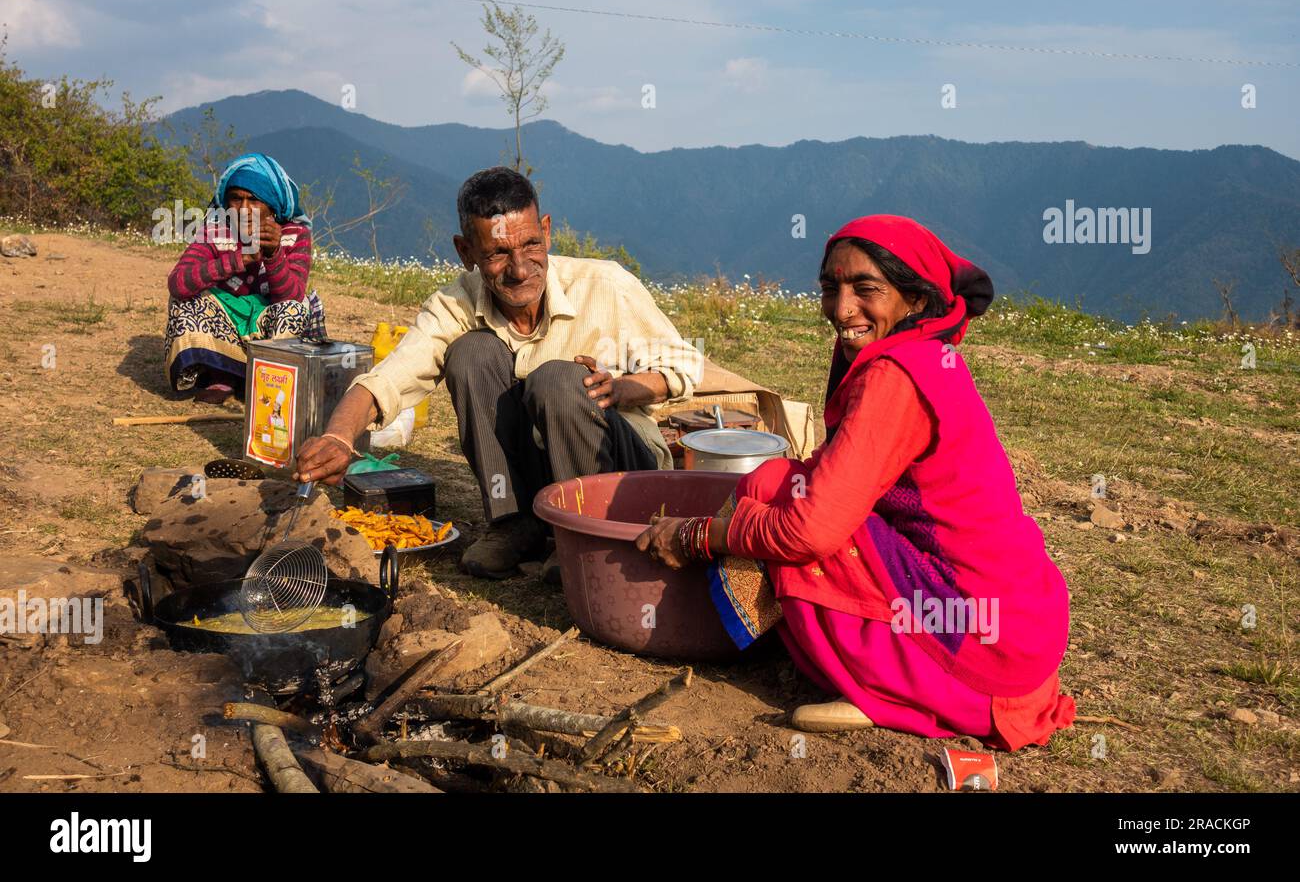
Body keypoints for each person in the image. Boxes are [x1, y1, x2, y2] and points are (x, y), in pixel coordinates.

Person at [636, 214, 1075, 750]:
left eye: (865, 289)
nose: (842, 310)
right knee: (783, 483)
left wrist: (698, 535)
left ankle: (885, 688)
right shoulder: (923, 355)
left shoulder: (896, 376)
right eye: (830, 288)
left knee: (773, 493)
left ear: (915, 299)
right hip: (1020, 626)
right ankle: (876, 667)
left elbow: (811, 532)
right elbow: (840, 468)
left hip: (983, 646)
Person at [294, 167, 703, 581]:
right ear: (466, 252)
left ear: (546, 230)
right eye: (497, 254)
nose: (521, 270)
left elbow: (684, 365)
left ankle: (582, 536)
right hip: (545, 465)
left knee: (558, 380)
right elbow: (390, 377)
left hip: (621, 471)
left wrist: (623, 388)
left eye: (531, 245)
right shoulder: (455, 304)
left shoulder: (605, 284)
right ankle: (514, 521)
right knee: (470, 352)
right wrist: (338, 436)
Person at [164, 153, 313, 405]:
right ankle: (221, 374)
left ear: (272, 206)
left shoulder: (295, 235)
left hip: (267, 325)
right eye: (236, 198)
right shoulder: (215, 232)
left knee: (296, 308)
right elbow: (178, 282)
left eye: (254, 200)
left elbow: (290, 297)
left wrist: (274, 255)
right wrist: (238, 260)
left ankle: (269, 380)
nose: (243, 209)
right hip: (227, 323)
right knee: (186, 298)